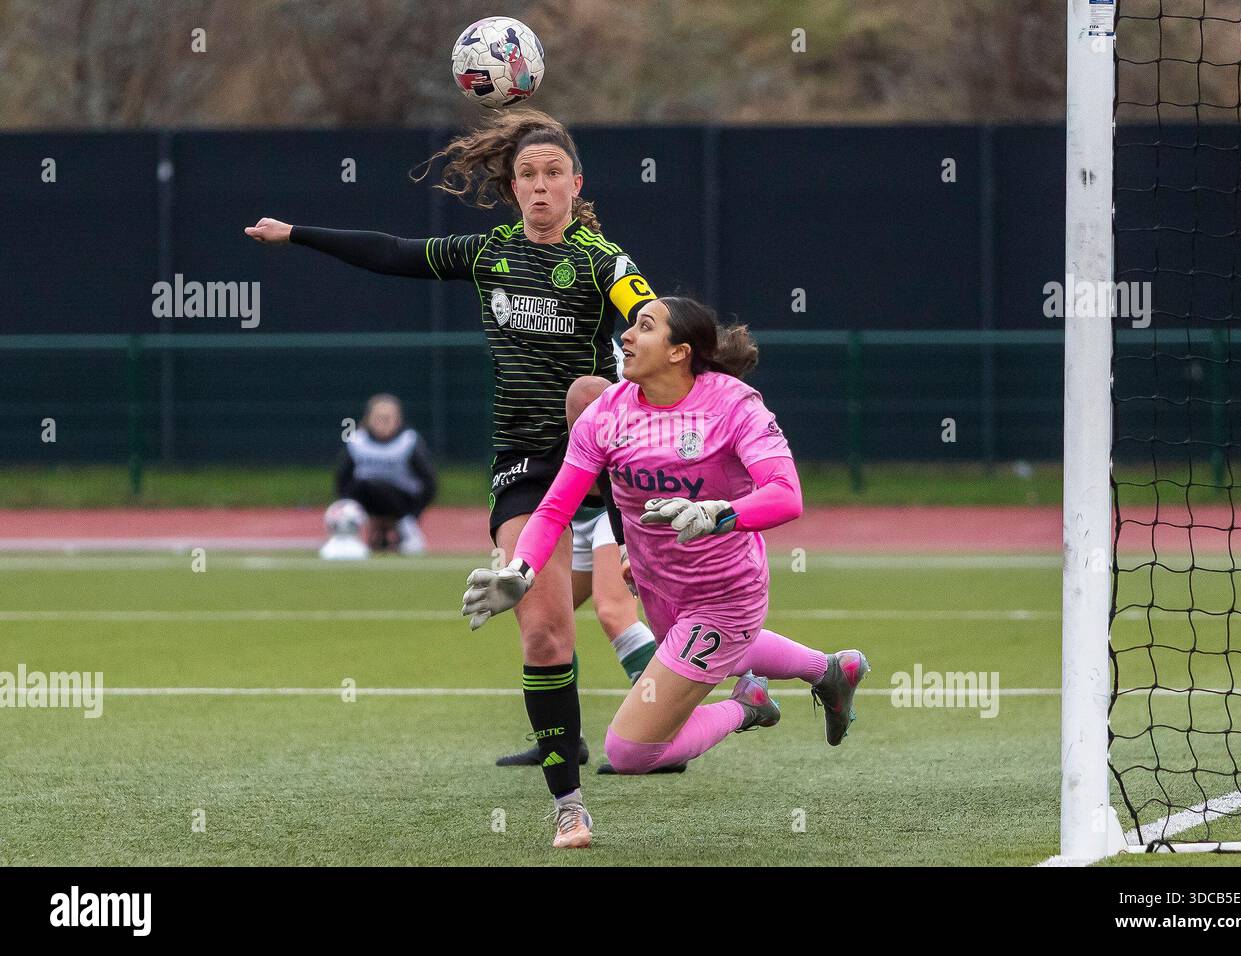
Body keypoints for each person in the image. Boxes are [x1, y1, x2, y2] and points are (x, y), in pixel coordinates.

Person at [246, 108, 657, 849]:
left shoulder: (605, 263)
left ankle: (748, 681)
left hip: (609, 461)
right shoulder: (488, 252)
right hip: (528, 465)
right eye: (526, 176)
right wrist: (298, 233)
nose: (539, 188)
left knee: (642, 598)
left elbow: (651, 317)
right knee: (542, 630)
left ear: (576, 184)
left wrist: (688, 357)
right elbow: (392, 252)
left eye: (552, 175)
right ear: (512, 187)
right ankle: (569, 802)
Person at [461, 297, 870, 809]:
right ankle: (829, 670)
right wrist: (521, 572)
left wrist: (720, 513)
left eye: (644, 327)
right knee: (728, 651)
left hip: (727, 594)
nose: (627, 336)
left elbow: (787, 494)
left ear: (680, 352)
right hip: (659, 588)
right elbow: (554, 508)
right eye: (631, 326)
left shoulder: (734, 404)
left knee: (629, 749)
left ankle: (747, 706)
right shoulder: (606, 413)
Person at [494, 375, 679, 774]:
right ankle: (562, 738)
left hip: (613, 508)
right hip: (571, 510)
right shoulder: (535, 370)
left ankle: (665, 737)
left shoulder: (617, 365)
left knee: (614, 611)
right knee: (545, 618)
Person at [336, 394, 437, 554]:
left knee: (380, 487)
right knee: (361, 485)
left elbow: (429, 483)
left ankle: (407, 530)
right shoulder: (357, 442)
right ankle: (350, 534)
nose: (382, 422)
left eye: (387, 418)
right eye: (378, 418)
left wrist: (415, 515)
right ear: (368, 418)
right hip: (367, 500)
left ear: (398, 420)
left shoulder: (408, 442)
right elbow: (342, 480)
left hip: (401, 501)